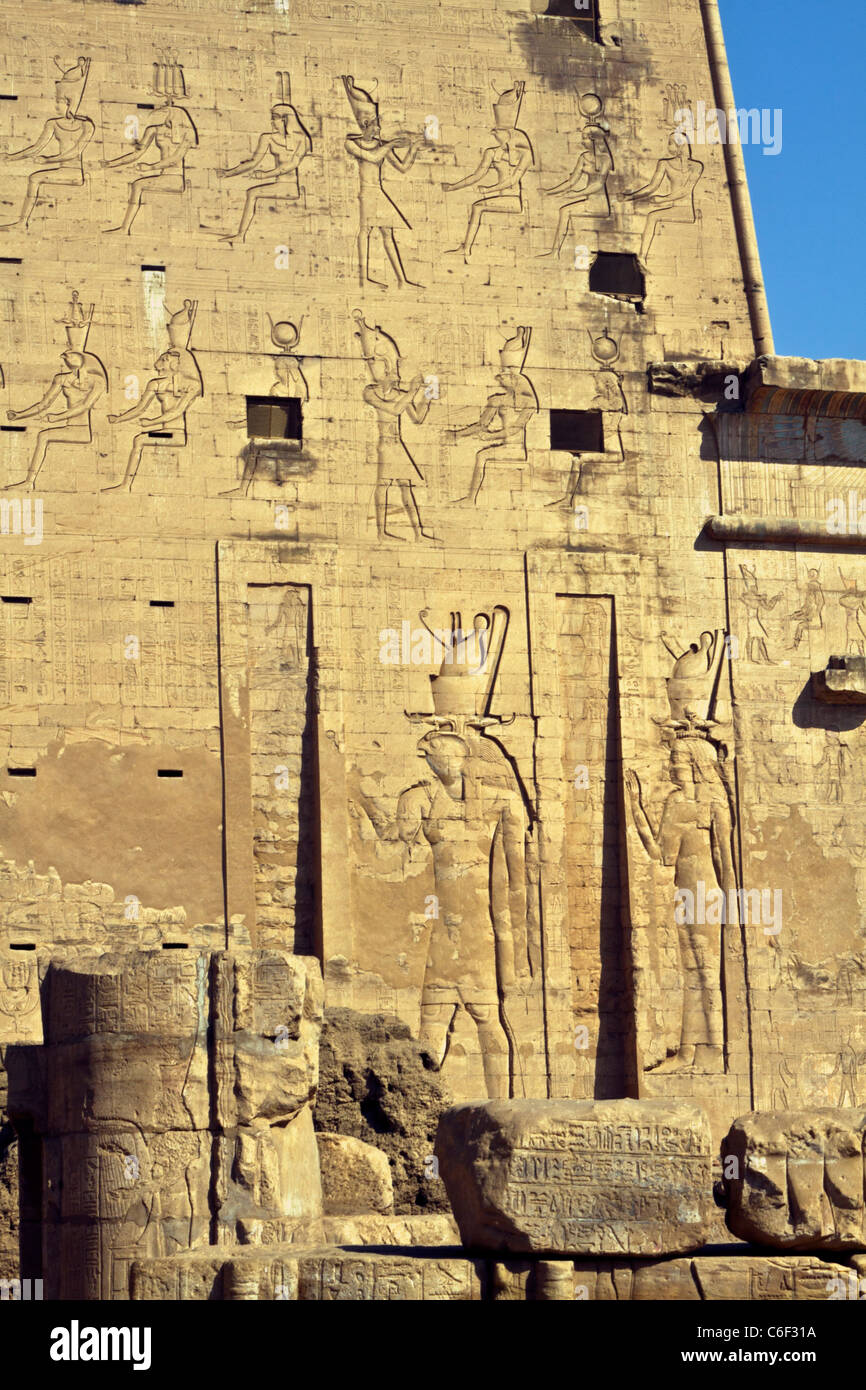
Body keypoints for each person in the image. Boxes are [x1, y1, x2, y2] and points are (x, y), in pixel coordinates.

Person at [626, 735, 734, 1071]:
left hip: (706, 893)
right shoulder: (675, 803)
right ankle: (688, 1052)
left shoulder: (714, 804)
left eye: (676, 759)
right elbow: (662, 854)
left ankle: (715, 1049)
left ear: (694, 765)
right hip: (683, 894)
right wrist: (636, 807)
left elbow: (725, 858)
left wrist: (735, 907)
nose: (671, 765)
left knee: (706, 970)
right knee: (691, 971)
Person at [5, 349, 106, 489]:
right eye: (66, 355)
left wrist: (58, 417)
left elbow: (85, 406)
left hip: (83, 430)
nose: (67, 357)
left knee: (43, 436)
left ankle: (29, 482)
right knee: (43, 435)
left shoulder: (97, 380)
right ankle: (29, 482)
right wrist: (20, 415)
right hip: (70, 426)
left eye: (70, 354)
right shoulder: (61, 379)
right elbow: (44, 404)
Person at [102, 348, 202, 492]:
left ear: (174, 364)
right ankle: (125, 485)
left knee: (140, 439)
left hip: (176, 434)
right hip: (164, 431)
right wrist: (119, 419)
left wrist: (151, 422)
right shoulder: (155, 384)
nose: (161, 362)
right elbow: (140, 408)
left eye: (165, 360)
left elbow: (177, 411)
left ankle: (125, 485)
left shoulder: (191, 384)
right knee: (139, 439)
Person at [218, 104, 311, 243]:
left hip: (290, 187)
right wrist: (229, 173)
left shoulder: (302, 139)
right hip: (279, 183)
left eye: (274, 119)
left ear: (285, 120)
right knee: (252, 192)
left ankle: (240, 235)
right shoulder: (267, 138)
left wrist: (266, 175)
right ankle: (240, 235)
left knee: (252, 193)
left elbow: (293, 164)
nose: (272, 122)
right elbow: (253, 162)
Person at [102, 99, 197, 235]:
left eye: (164, 111)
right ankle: (124, 228)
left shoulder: (187, 134)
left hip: (175, 178)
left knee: (138, 185)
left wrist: (150, 167)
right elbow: (137, 154)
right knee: (137, 184)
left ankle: (124, 228)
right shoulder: (153, 130)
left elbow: (175, 158)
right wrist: (111, 163)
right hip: (163, 175)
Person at [624, 131, 703, 265]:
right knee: (639, 211)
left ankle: (642, 256)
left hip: (685, 210)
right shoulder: (664, 163)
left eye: (670, 143)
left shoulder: (696, 166)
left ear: (680, 146)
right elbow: (652, 186)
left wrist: (662, 199)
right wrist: (631, 197)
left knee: (652, 216)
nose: (668, 146)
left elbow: (685, 191)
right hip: (672, 206)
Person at [539, 127, 613, 258]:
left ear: (594, 140)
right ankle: (555, 252)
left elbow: (598, 184)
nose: (583, 142)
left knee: (565, 211)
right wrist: (549, 192)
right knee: (564, 210)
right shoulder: (584, 157)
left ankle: (555, 252)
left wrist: (576, 194)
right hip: (589, 200)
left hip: (599, 204)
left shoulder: (605, 159)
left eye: (585, 138)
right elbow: (571, 181)